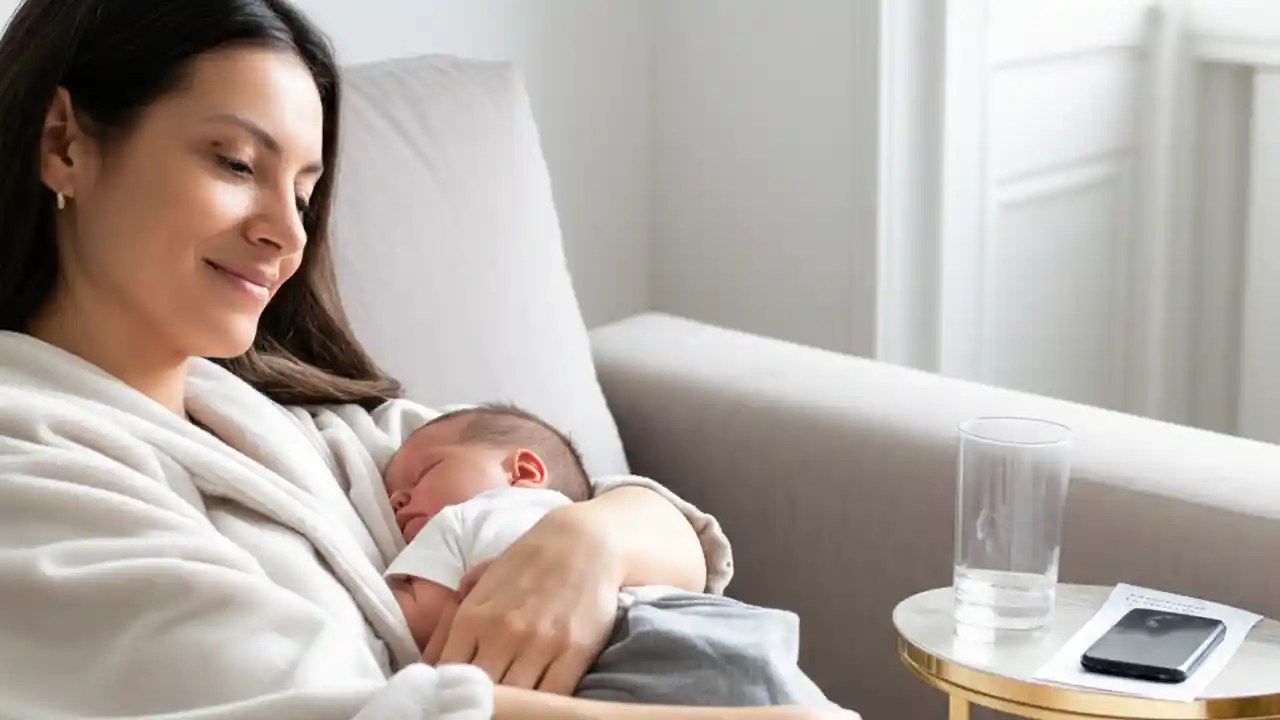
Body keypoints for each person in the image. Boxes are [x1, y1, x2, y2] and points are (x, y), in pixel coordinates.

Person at [0, 1, 859, 718]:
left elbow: (669, 535)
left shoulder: (317, 438)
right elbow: (328, 705)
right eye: (234, 163)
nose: (288, 234)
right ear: (64, 144)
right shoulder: (32, 469)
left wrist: (584, 542)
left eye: (304, 191)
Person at [384, 404, 835, 708]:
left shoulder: (463, 518)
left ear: (523, 469)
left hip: (628, 648)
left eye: (424, 473)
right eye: (392, 496)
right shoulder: (577, 508)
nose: (399, 500)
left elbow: (421, 620)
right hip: (724, 629)